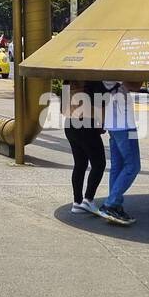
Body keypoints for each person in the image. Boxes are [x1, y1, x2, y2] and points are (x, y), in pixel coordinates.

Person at [99, 79, 141, 226]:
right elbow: (135, 85)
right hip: (124, 125)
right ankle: (110, 204)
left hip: (114, 124)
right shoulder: (115, 68)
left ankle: (115, 205)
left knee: (118, 166)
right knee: (133, 166)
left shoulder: (106, 66)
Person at [63, 79, 106, 215]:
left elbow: (63, 109)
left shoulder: (68, 80)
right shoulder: (95, 81)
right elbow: (101, 107)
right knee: (99, 164)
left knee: (80, 164)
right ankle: (88, 200)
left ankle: (77, 202)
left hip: (69, 124)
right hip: (86, 123)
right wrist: (101, 125)